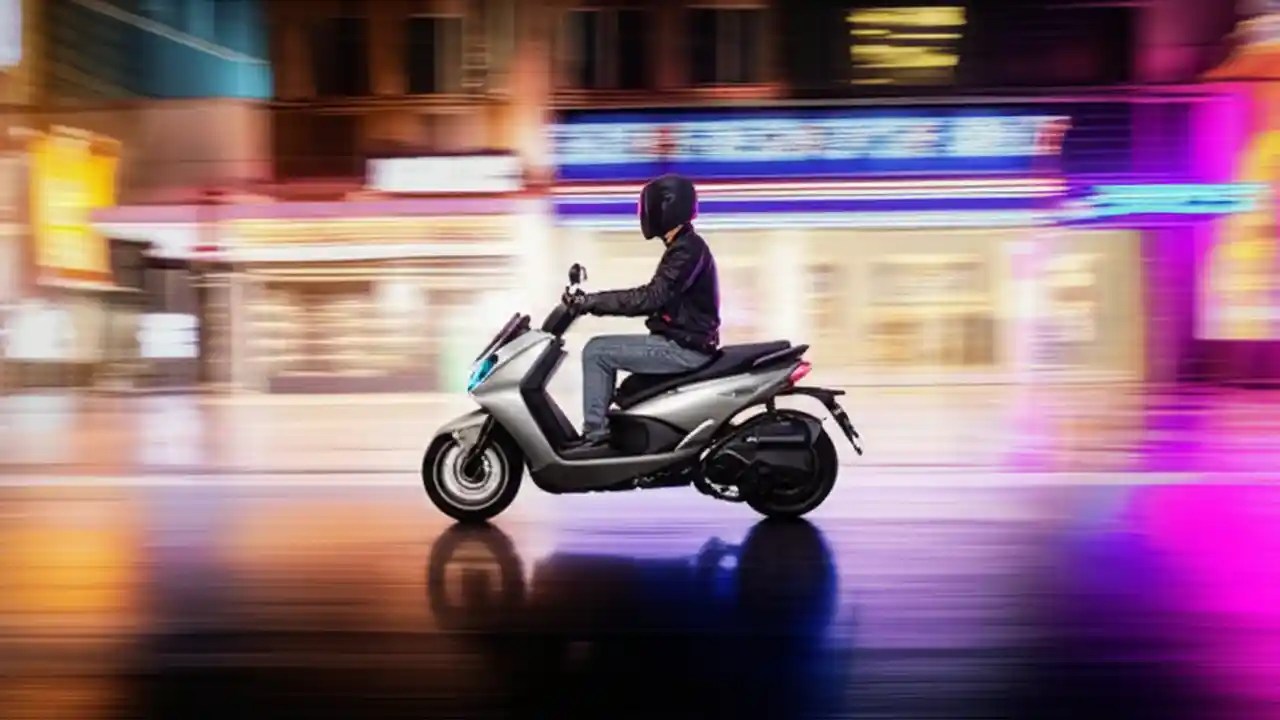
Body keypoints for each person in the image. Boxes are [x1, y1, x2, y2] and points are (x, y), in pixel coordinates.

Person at [565, 174, 721, 448]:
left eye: (647, 207)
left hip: (683, 348)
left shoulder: (687, 250)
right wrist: (590, 302)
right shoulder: (684, 246)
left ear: (667, 207)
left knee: (597, 352)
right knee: (622, 383)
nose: (643, 214)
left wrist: (590, 303)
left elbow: (651, 298)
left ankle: (595, 437)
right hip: (680, 342)